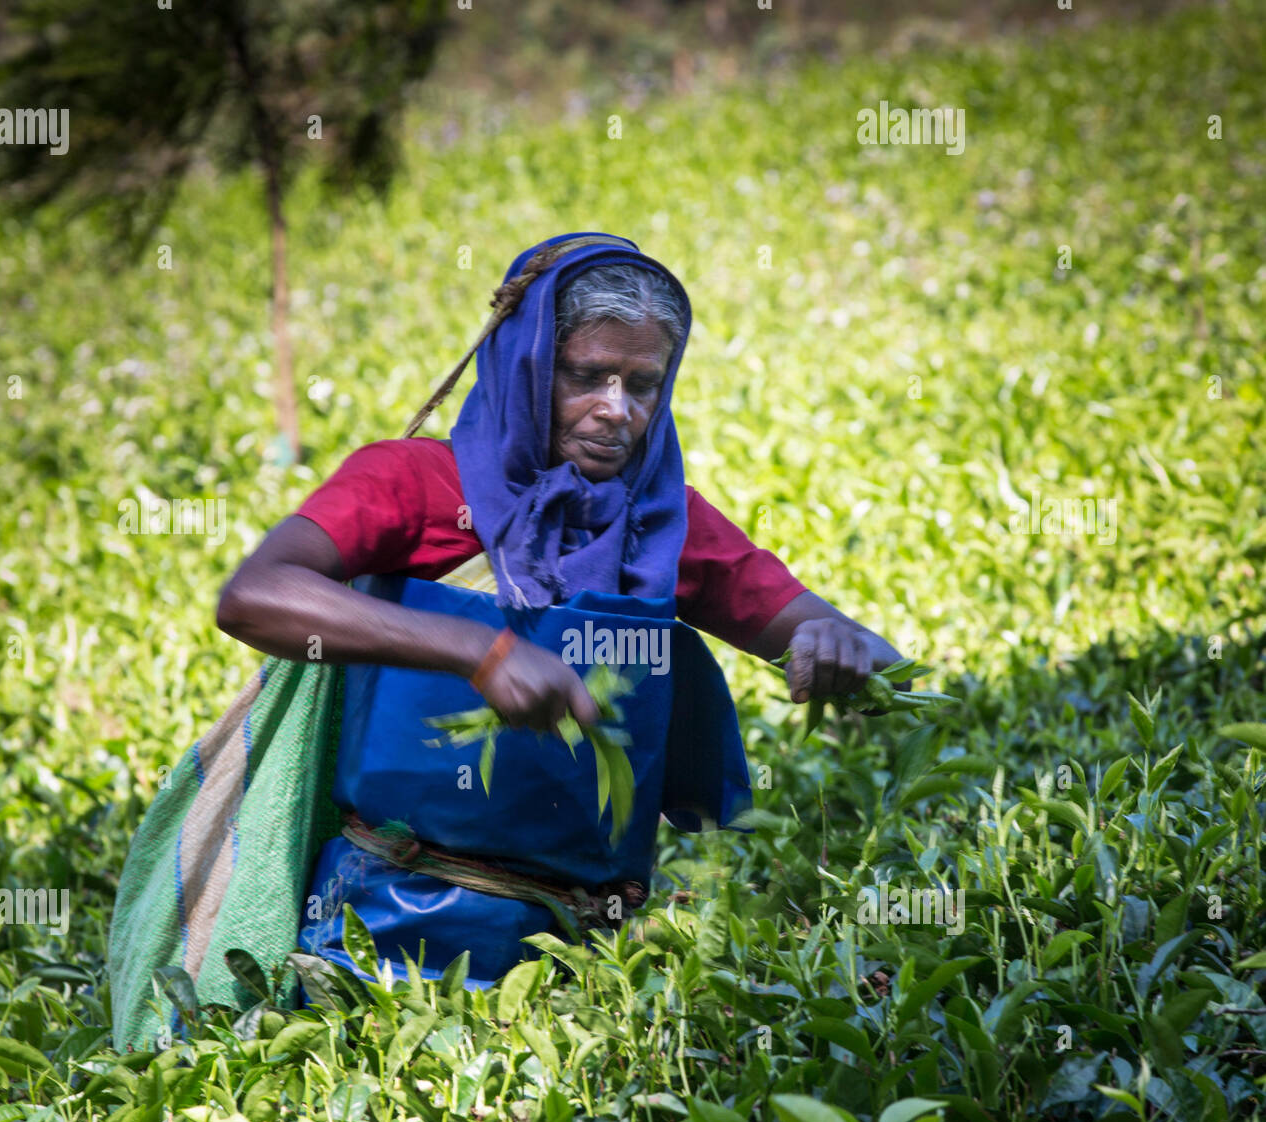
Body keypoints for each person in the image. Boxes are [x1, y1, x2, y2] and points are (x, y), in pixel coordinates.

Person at [215, 232, 904, 989]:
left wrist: (837, 646)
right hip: (379, 929)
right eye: (587, 376)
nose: (617, 411)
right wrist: (478, 651)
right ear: (529, 363)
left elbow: (848, 641)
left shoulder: (664, 523)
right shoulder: (411, 484)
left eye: (643, 384)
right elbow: (256, 596)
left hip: (582, 951)